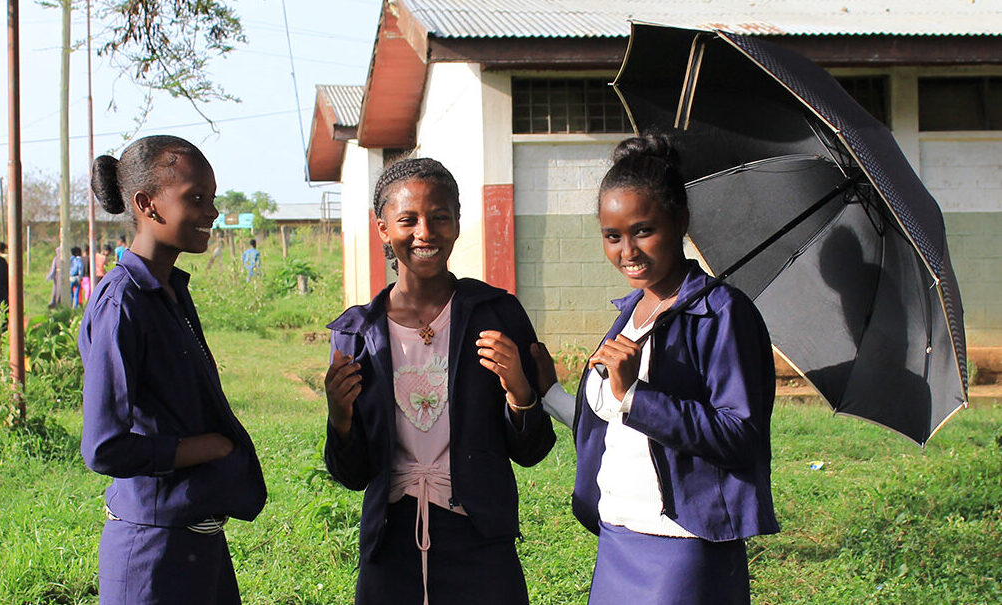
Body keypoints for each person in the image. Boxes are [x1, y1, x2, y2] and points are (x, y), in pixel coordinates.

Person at [530, 132, 779, 604]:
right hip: (617, 538)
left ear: (681, 220)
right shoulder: (628, 313)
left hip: (684, 548)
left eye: (644, 230)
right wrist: (550, 393)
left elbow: (741, 436)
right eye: (612, 236)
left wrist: (636, 396)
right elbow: (615, 427)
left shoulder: (724, 315)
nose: (628, 251)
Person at [324, 157, 555, 605]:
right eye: (407, 220)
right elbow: (352, 474)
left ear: (457, 223)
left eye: (439, 217)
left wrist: (520, 394)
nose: (424, 232)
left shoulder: (497, 314)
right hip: (391, 542)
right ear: (383, 229)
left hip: (480, 536)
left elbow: (533, 451)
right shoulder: (356, 333)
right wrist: (341, 418)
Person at [79, 135, 266, 604]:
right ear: (147, 204)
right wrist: (202, 447)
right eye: (196, 199)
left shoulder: (171, 291)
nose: (212, 212)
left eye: (213, 198)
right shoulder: (122, 303)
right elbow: (103, 447)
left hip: (196, 541)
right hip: (151, 554)